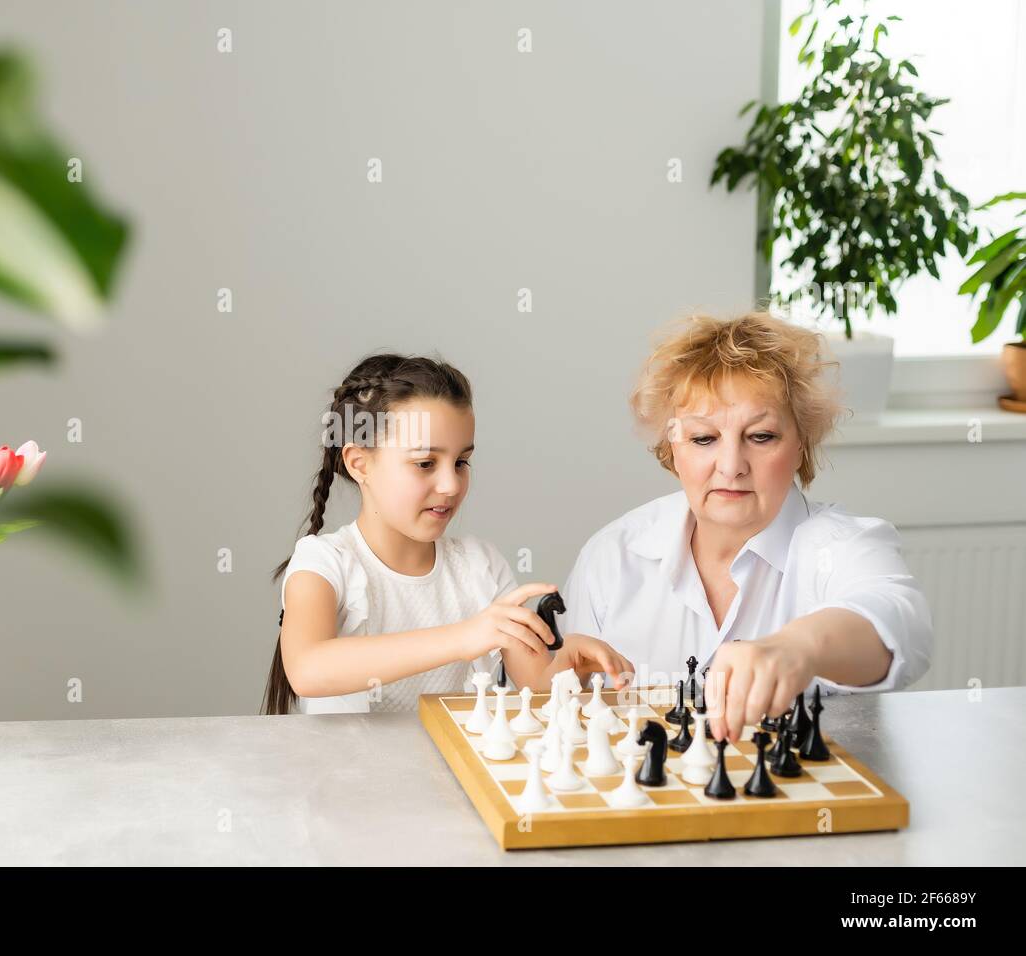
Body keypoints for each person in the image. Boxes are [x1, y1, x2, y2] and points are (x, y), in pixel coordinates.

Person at [556, 311, 933, 742]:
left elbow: (901, 626)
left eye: (761, 436)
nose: (732, 467)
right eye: (703, 439)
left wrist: (797, 648)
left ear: (800, 445)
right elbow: (557, 689)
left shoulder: (845, 545)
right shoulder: (614, 554)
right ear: (671, 447)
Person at [261, 353, 632, 715]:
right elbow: (308, 669)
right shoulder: (323, 563)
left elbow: (538, 691)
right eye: (425, 463)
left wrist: (568, 666)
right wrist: (463, 637)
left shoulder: (479, 565)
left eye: (461, 462)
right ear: (360, 464)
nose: (451, 484)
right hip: (350, 775)